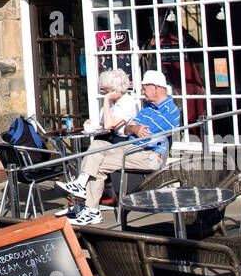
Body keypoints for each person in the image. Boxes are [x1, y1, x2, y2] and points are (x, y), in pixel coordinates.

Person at [67, 69, 181, 227]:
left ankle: (91, 210)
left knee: (98, 164)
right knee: (98, 145)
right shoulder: (148, 107)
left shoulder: (171, 111)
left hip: (150, 155)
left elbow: (147, 139)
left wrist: (134, 129)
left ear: (156, 88)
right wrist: (134, 129)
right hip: (133, 147)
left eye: (144, 88)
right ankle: (81, 184)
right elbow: (129, 130)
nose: (141, 92)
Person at [56, 68, 138, 200]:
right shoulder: (112, 102)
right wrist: (92, 124)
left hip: (125, 141)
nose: (105, 93)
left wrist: (106, 101)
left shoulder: (128, 103)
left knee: (97, 147)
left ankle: (82, 184)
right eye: (104, 90)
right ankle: (86, 187)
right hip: (112, 138)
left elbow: (109, 125)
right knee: (97, 144)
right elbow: (102, 124)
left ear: (116, 89)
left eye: (107, 90)